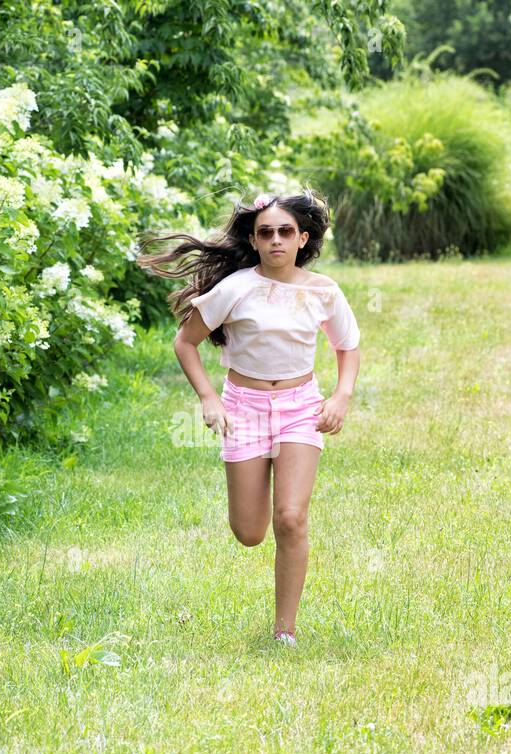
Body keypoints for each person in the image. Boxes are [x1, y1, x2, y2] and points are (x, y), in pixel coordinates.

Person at [137, 188, 362, 647]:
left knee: (292, 518)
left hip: (300, 407)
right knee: (249, 531)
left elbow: (347, 345)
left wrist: (341, 395)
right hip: (245, 409)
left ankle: (285, 630)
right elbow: (186, 343)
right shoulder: (235, 288)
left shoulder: (323, 291)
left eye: (285, 232)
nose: (276, 240)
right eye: (266, 233)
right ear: (255, 240)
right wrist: (208, 398)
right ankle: (259, 549)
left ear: (302, 238)